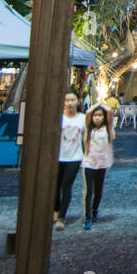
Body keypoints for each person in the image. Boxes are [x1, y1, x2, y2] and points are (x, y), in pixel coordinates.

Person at [54, 93, 84, 231]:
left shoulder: (83, 119)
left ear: (78, 101)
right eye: (67, 100)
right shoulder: (58, 118)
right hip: (57, 156)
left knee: (66, 185)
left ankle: (62, 216)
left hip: (75, 157)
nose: (70, 103)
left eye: (72, 100)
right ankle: (55, 210)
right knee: (54, 186)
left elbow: (86, 139)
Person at [81, 103, 114, 230]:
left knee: (98, 191)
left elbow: (110, 110)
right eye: (95, 115)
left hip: (102, 163)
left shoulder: (108, 129)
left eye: (100, 115)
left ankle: (95, 210)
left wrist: (102, 103)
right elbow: (88, 113)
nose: (97, 118)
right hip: (89, 162)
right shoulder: (89, 129)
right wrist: (96, 105)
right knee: (88, 191)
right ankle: (87, 217)